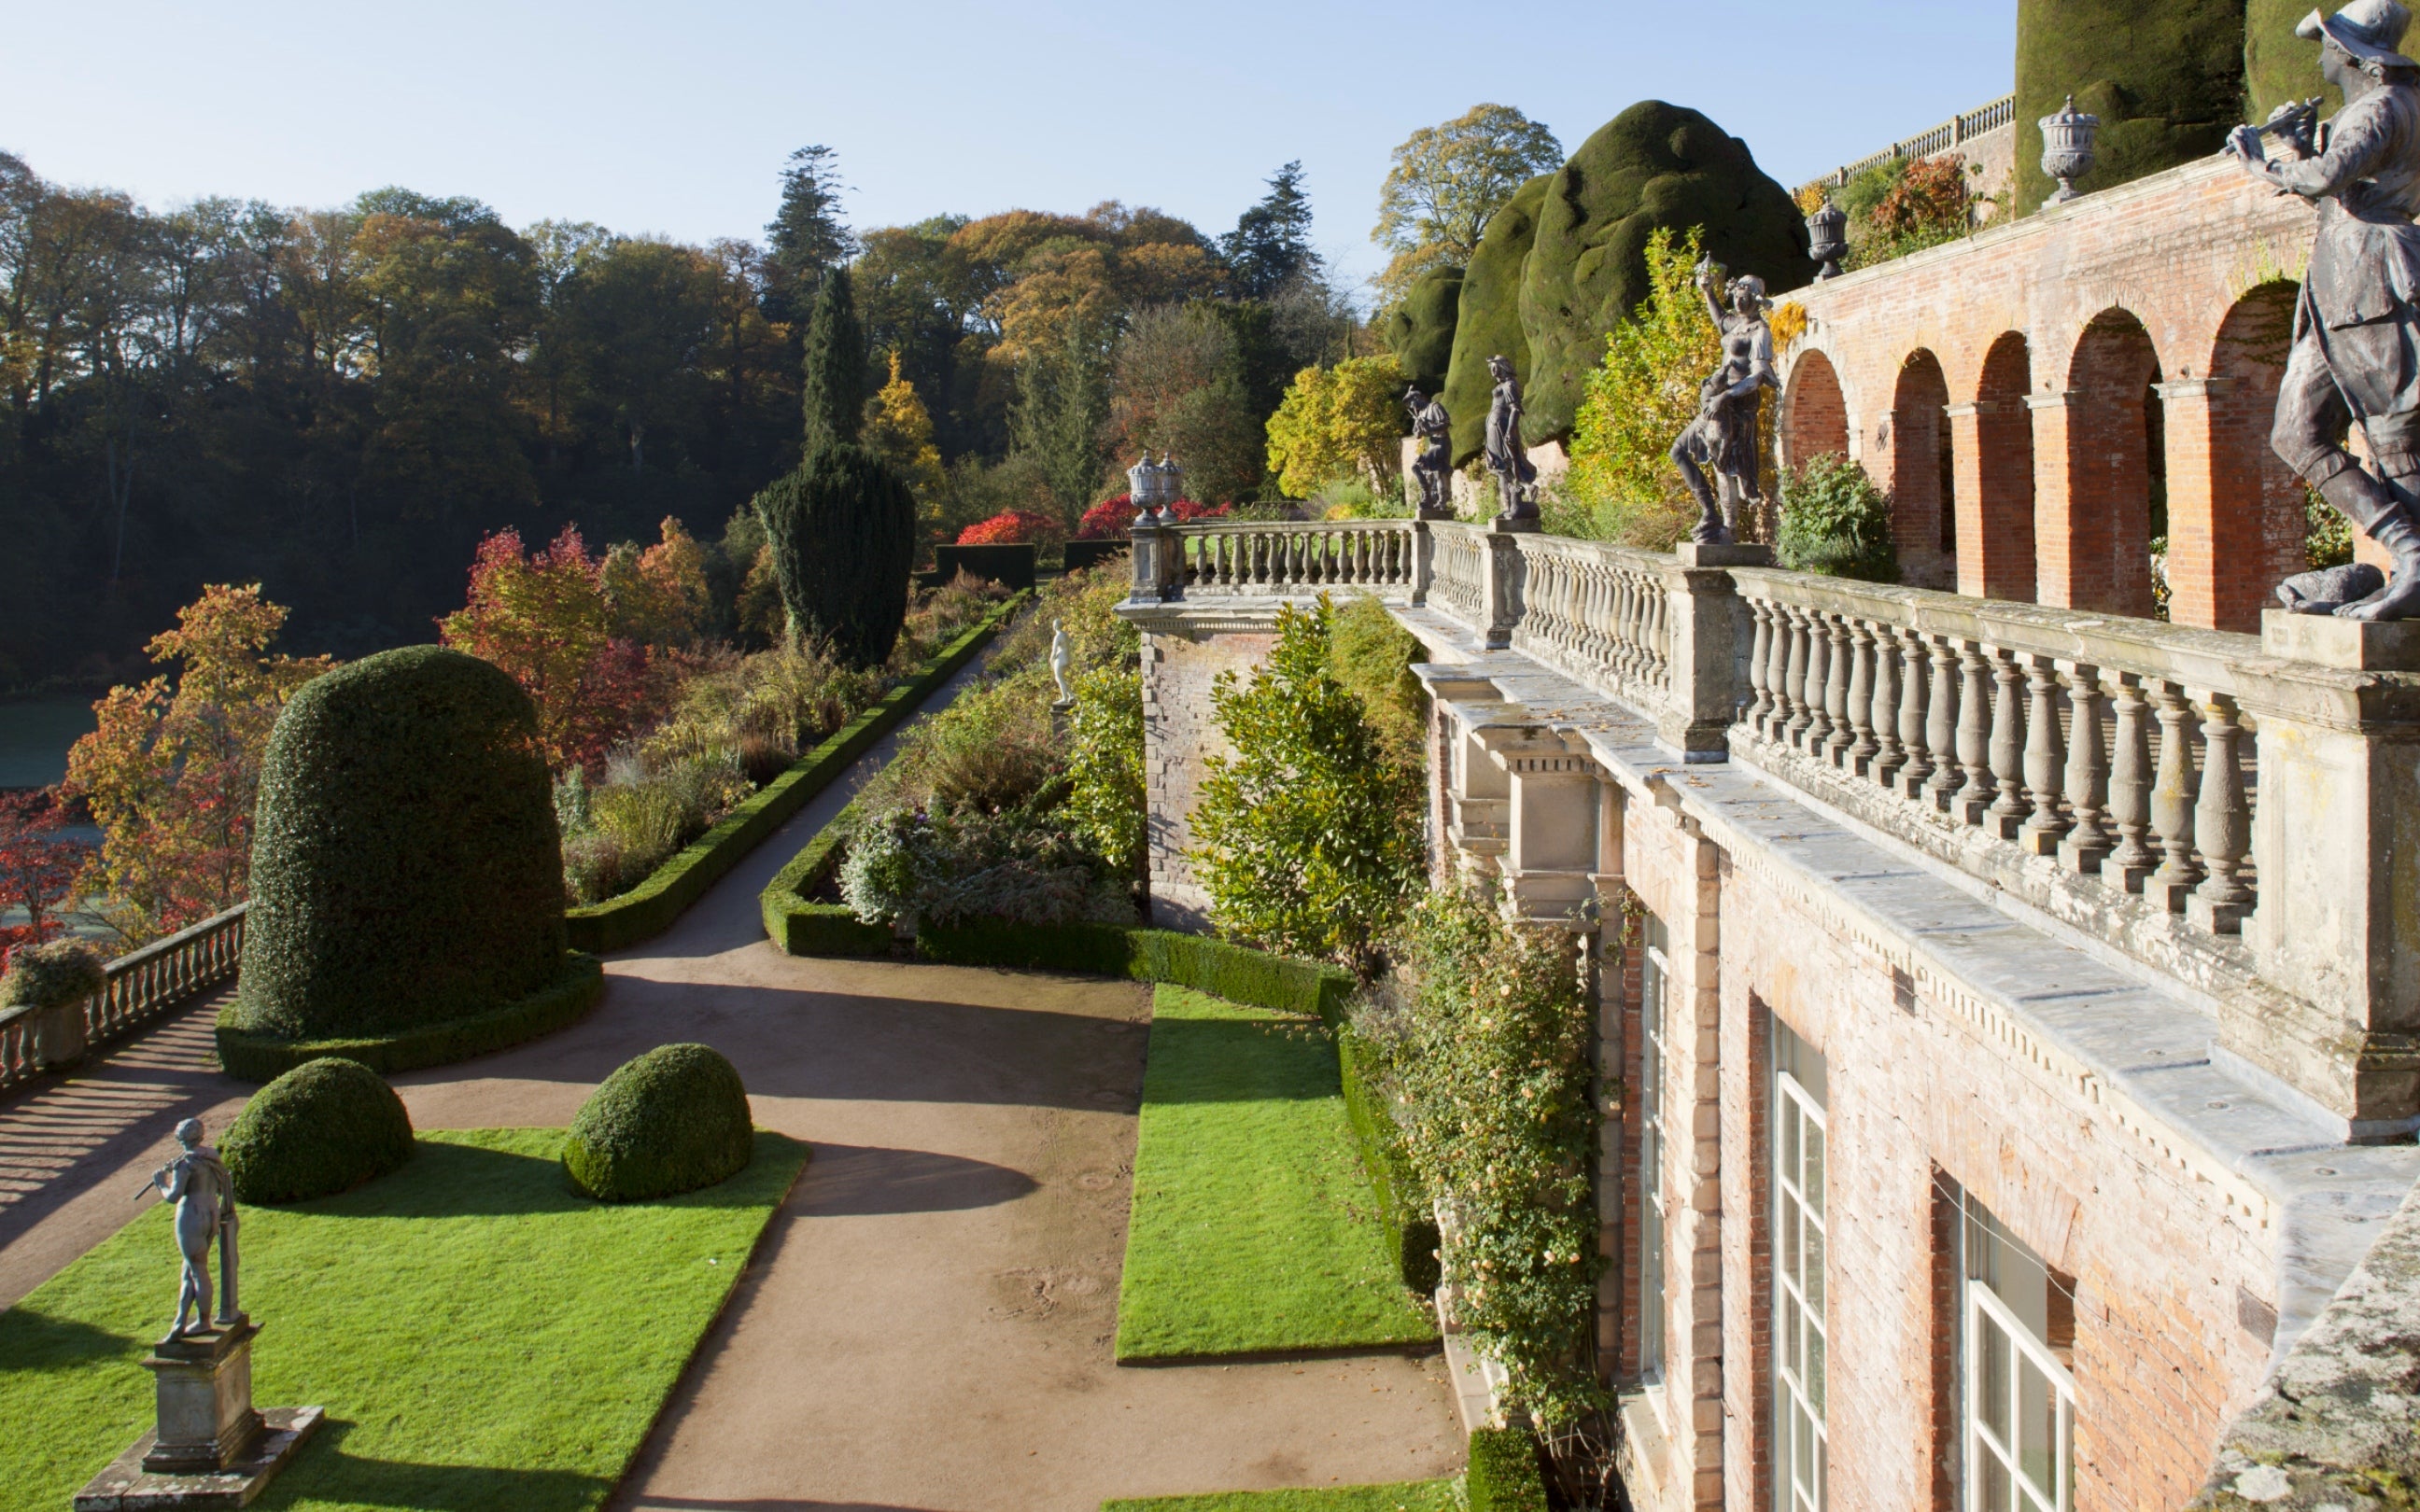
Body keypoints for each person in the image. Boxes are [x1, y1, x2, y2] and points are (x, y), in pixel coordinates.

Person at [2229, 0, 2420, 618]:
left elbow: (2330, 177)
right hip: (2343, 283)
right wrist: (2302, 148)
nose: (2317, 57)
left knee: (2395, 438)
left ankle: (2414, 567)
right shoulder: (2380, 110)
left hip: (2373, 282)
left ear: (2345, 52)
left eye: (2323, 45)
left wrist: (2267, 164)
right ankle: (2408, 547)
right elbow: (2341, 195)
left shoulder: (2382, 107)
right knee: (2296, 432)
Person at [1671, 258, 1779, 546]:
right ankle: (1709, 513)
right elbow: (1719, 318)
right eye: (1735, 294)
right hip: (1715, 402)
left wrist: (1727, 396)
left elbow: (1759, 376)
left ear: (1755, 299)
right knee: (1678, 450)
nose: (1736, 298)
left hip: (1735, 406)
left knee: (1724, 467)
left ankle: (1728, 529)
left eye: (1742, 295)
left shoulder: (1760, 332)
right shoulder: (1735, 326)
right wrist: (1707, 290)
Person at [141, 1117, 241, 1342]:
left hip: (192, 1216)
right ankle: (181, 1321)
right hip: (211, 1213)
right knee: (190, 1268)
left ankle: (203, 1321)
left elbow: (174, 1196)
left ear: (181, 1138)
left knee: (198, 1270)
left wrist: (160, 1183)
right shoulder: (211, 1156)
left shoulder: (185, 1164)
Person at [1483, 356, 1539, 525]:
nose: (1493, 371)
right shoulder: (1501, 385)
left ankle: (1526, 489)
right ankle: (1507, 507)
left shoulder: (1510, 385)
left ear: (1502, 367)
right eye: (1491, 368)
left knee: (1510, 461)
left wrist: (1510, 430)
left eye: (1495, 367)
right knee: (1499, 467)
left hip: (1503, 427)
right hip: (1494, 427)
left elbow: (1515, 409)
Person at [1403, 385, 1453, 517]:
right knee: (1428, 471)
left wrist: (1429, 428)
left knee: (1436, 471)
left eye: (1412, 402)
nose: (1412, 406)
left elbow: (1446, 424)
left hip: (1441, 443)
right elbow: (1417, 435)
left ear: (1418, 398)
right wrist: (1419, 429)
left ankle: (1439, 501)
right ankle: (1429, 497)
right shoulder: (1421, 414)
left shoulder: (1434, 407)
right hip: (1432, 445)